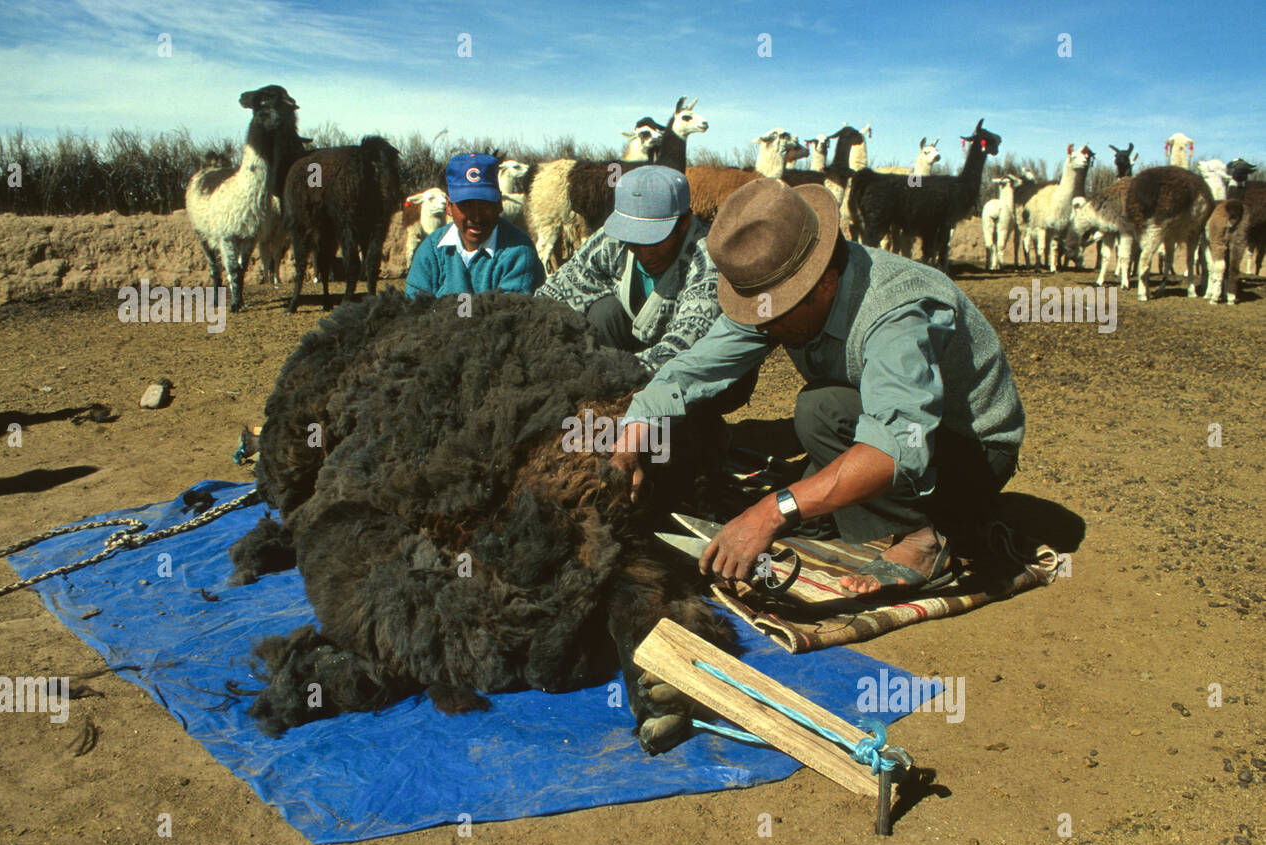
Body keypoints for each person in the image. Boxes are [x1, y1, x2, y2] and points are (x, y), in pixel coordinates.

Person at [611, 177, 1025, 598]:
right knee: (801, 508)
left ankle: (923, 541)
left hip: (968, 449)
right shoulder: (779, 294)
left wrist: (771, 513)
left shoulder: (895, 312)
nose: (764, 326)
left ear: (823, 282)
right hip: (883, 419)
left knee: (820, 411)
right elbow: (693, 369)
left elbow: (899, 447)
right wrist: (631, 439)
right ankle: (878, 513)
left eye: (775, 313)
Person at [536, 165, 733, 378]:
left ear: (684, 222)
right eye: (634, 240)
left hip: (692, 364)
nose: (644, 254)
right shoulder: (613, 241)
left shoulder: (707, 259)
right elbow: (558, 289)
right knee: (603, 313)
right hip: (631, 353)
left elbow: (687, 340)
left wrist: (610, 373)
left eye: (655, 240)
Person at [405, 153, 544, 297]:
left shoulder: (518, 253)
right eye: (465, 205)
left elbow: (510, 314)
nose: (477, 216)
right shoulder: (431, 251)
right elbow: (411, 309)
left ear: (499, 204)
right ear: (448, 206)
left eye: (485, 204)